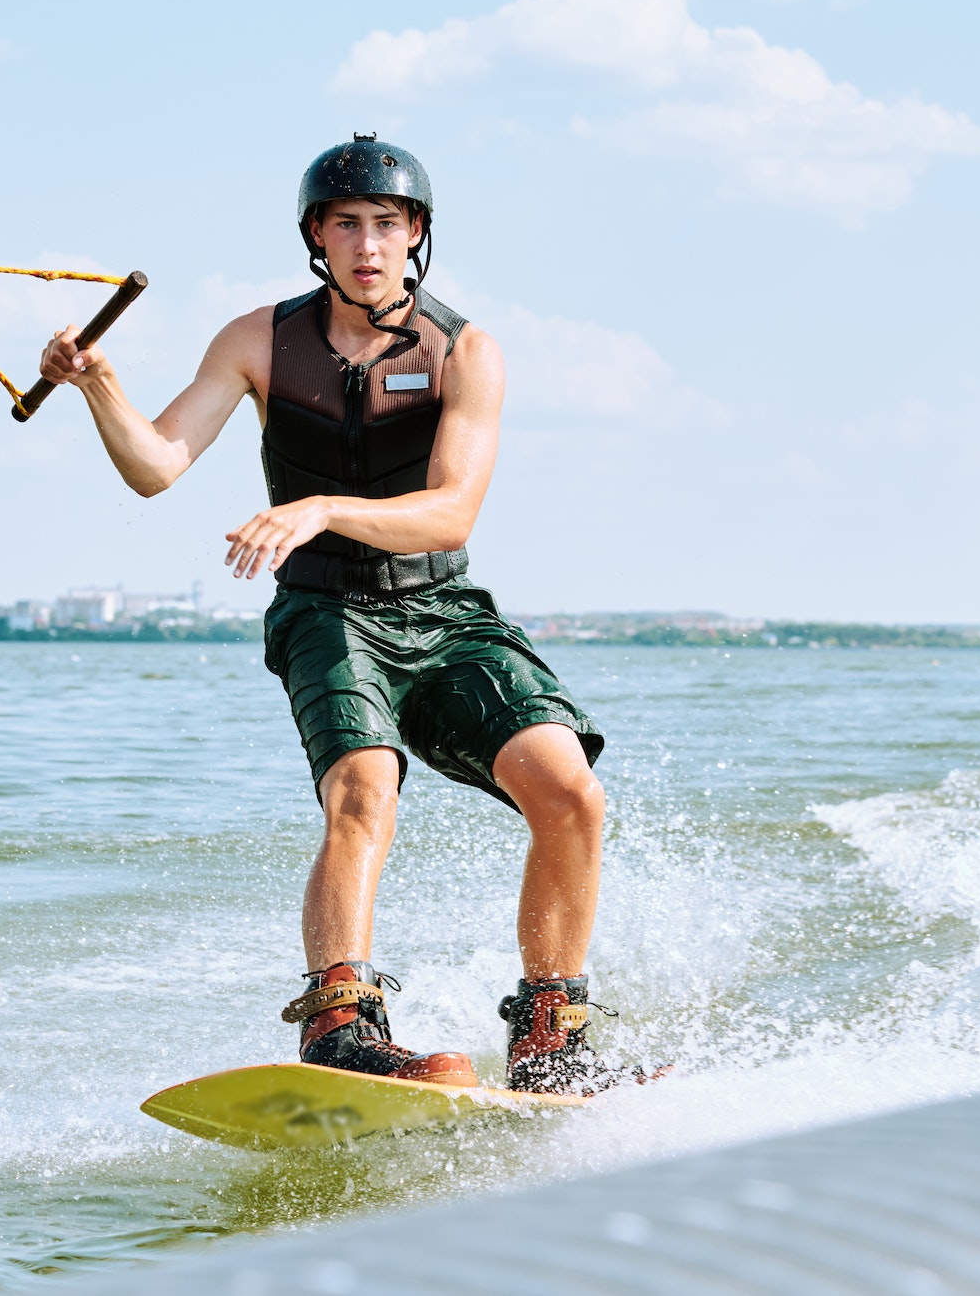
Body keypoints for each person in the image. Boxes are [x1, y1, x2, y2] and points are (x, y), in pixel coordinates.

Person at [39, 135, 639, 1095]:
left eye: (388, 225)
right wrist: (99, 384)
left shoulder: (465, 349)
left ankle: (550, 1036)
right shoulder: (256, 342)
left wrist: (318, 505)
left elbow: (451, 509)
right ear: (317, 236)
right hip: (327, 610)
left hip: (443, 607)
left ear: (417, 237)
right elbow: (155, 466)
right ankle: (342, 1025)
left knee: (570, 791)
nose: (369, 244)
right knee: (362, 787)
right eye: (347, 224)